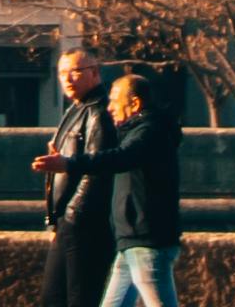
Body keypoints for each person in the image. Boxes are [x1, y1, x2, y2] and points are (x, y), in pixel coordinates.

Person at [84, 66, 185, 307]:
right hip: (132, 240)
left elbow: (120, 158)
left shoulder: (150, 132)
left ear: (136, 103)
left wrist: (67, 164)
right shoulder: (139, 131)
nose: (109, 108)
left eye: (115, 101)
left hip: (146, 241)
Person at [34, 49, 115, 307]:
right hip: (68, 220)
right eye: (62, 73)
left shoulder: (98, 112)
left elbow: (99, 166)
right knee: (54, 297)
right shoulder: (77, 110)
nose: (68, 79)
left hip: (82, 222)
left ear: (95, 73)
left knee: (79, 297)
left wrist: (73, 215)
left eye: (75, 71)